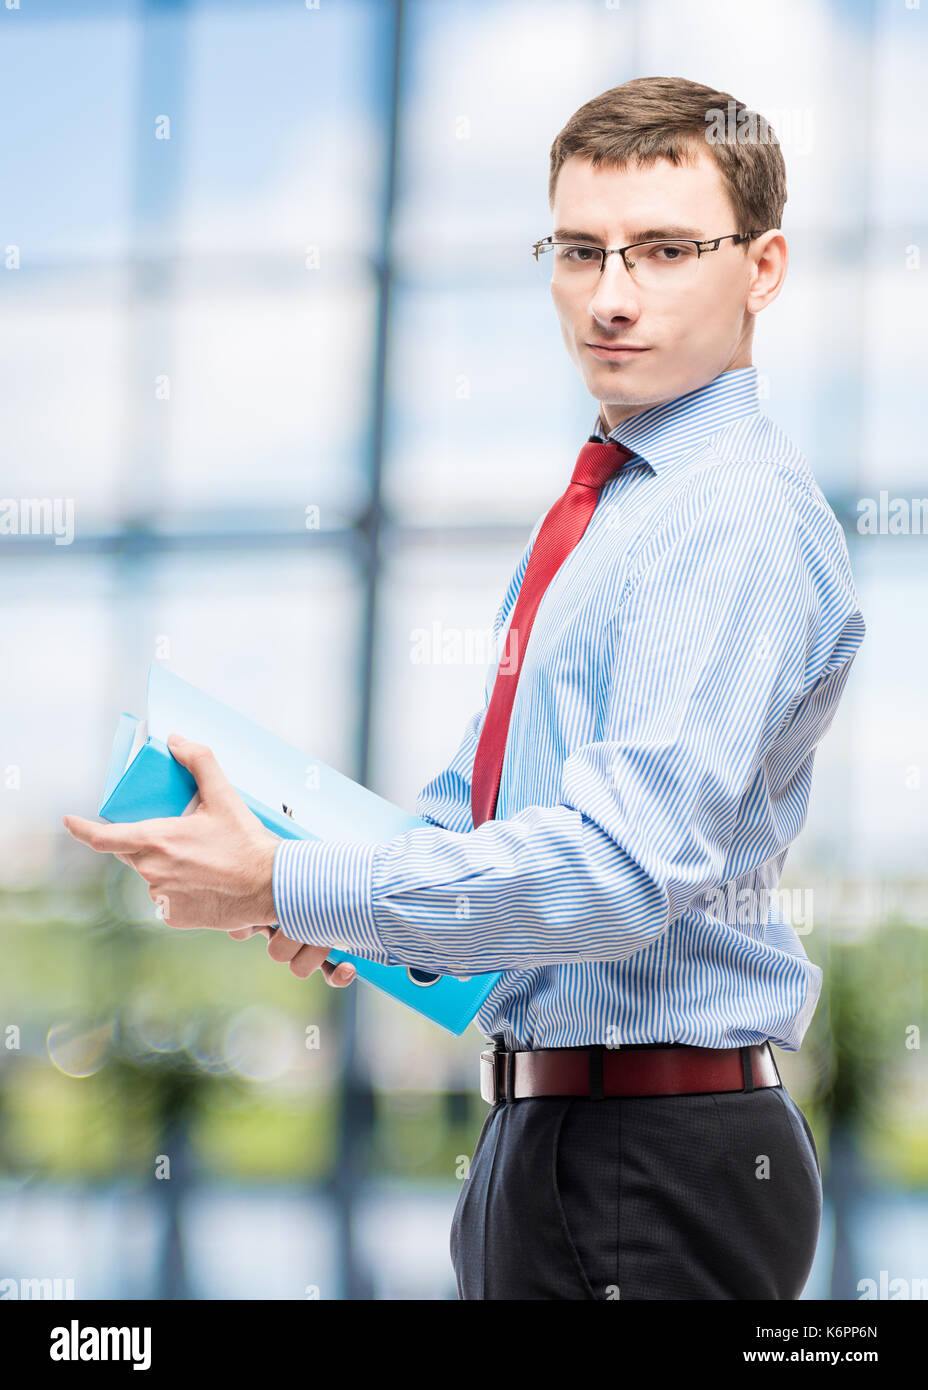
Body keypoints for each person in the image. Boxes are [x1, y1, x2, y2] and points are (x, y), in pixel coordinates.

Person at [65, 75, 865, 1301]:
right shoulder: (607, 512)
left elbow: (618, 872)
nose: (610, 296)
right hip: (561, 1138)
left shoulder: (730, 515)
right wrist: (328, 894)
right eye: (580, 251)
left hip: (648, 1154)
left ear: (761, 268)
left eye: (664, 251)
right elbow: (482, 821)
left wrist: (288, 880)